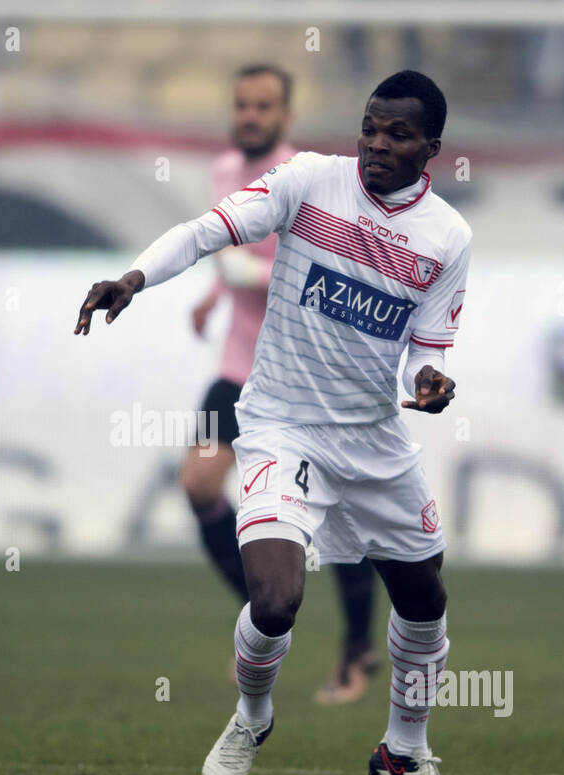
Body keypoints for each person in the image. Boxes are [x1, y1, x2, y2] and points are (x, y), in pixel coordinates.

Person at [77, 71, 469, 775]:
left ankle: (406, 751)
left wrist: (430, 382)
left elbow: (429, 347)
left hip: (374, 438)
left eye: (398, 134)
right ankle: (252, 717)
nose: (378, 144)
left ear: (433, 148)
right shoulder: (311, 180)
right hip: (281, 425)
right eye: (371, 127)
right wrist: (134, 277)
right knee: (277, 599)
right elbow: (205, 232)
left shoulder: (448, 236)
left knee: (425, 602)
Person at [184, 64, 381, 705]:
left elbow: (316, 282)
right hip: (242, 368)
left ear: (285, 116)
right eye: (242, 105)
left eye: (263, 107)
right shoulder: (221, 171)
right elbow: (229, 244)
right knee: (199, 482)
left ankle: (357, 650)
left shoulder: (308, 182)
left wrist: (241, 274)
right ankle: (262, 613)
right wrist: (217, 293)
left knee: (344, 521)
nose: (249, 116)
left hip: (306, 375)